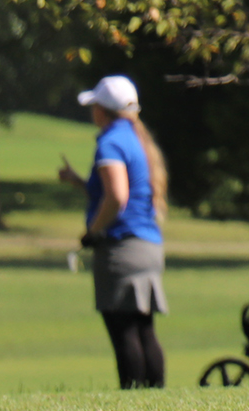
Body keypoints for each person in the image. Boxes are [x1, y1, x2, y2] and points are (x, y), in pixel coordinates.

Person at [57, 75, 169, 388]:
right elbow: (114, 191)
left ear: (103, 110)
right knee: (144, 328)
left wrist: (92, 232)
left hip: (121, 249)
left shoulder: (110, 142)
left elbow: (117, 197)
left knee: (124, 331)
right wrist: (80, 182)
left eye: (94, 105)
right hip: (147, 246)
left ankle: (133, 400)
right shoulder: (135, 138)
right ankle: (155, 400)